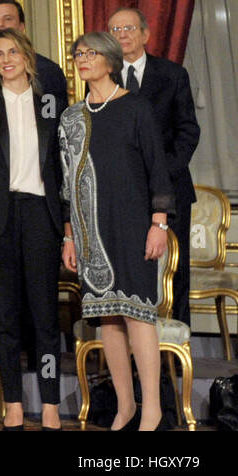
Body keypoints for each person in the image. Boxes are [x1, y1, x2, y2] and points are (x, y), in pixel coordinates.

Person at [60, 31, 175, 431]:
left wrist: (158, 223)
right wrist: (70, 236)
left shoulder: (136, 108)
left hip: (133, 224)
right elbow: (67, 184)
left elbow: (158, 172)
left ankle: (152, 409)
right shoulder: (71, 117)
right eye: (78, 53)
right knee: (107, 318)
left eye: (91, 52)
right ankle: (125, 407)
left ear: (110, 60)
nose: (83, 58)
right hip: (90, 231)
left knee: (139, 316)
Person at [0, 29, 65, 430]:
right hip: (0, 221)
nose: (6, 59)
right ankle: (13, 403)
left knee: (44, 318)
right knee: (6, 318)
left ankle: (51, 403)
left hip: (42, 218)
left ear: (27, 55)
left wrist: (70, 231)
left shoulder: (50, 105)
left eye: (13, 52)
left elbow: (63, 170)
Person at [107, 7, 200, 324]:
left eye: (129, 28)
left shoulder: (172, 75)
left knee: (174, 272)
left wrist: (159, 175)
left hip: (171, 190)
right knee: (129, 271)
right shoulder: (104, 78)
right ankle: (131, 355)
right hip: (121, 194)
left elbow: (188, 132)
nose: (122, 35)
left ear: (145, 34)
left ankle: (173, 358)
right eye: (115, 29)